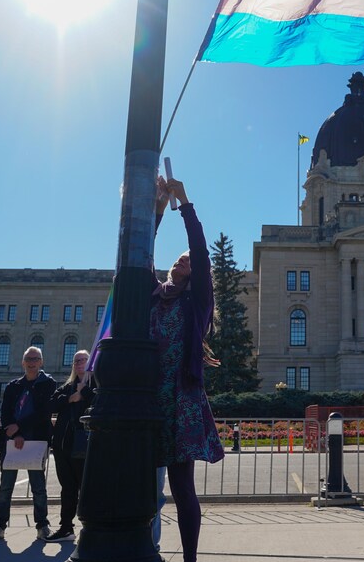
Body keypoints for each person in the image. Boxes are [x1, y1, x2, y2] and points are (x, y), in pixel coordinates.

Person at [149, 177, 224, 561]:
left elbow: (200, 250)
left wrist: (185, 202)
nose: (183, 260)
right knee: (142, 484)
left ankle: (190, 558)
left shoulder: (197, 304)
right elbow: (139, 254)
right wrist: (158, 209)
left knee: (182, 488)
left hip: (181, 399)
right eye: (179, 258)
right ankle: (145, 548)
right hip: (147, 397)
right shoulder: (153, 295)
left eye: (188, 261)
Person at [0, 346, 57, 542]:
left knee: (38, 487)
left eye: (36, 359)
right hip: (11, 442)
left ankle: (42, 526)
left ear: (41, 362)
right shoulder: (13, 386)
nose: (32, 362)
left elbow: (44, 413)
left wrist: (19, 429)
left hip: (35, 442)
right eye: (29, 359)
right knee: (5, 487)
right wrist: (14, 432)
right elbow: (5, 412)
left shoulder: (48, 384)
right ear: (23, 362)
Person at [45, 349, 95, 542]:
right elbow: (50, 405)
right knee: (67, 488)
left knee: (86, 488)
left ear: (90, 363)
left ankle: (91, 528)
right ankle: (66, 527)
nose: (79, 363)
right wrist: (70, 398)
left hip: (85, 445)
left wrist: (85, 392)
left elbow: (101, 404)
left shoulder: (97, 385)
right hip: (63, 445)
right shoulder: (67, 387)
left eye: (83, 360)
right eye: (76, 361)